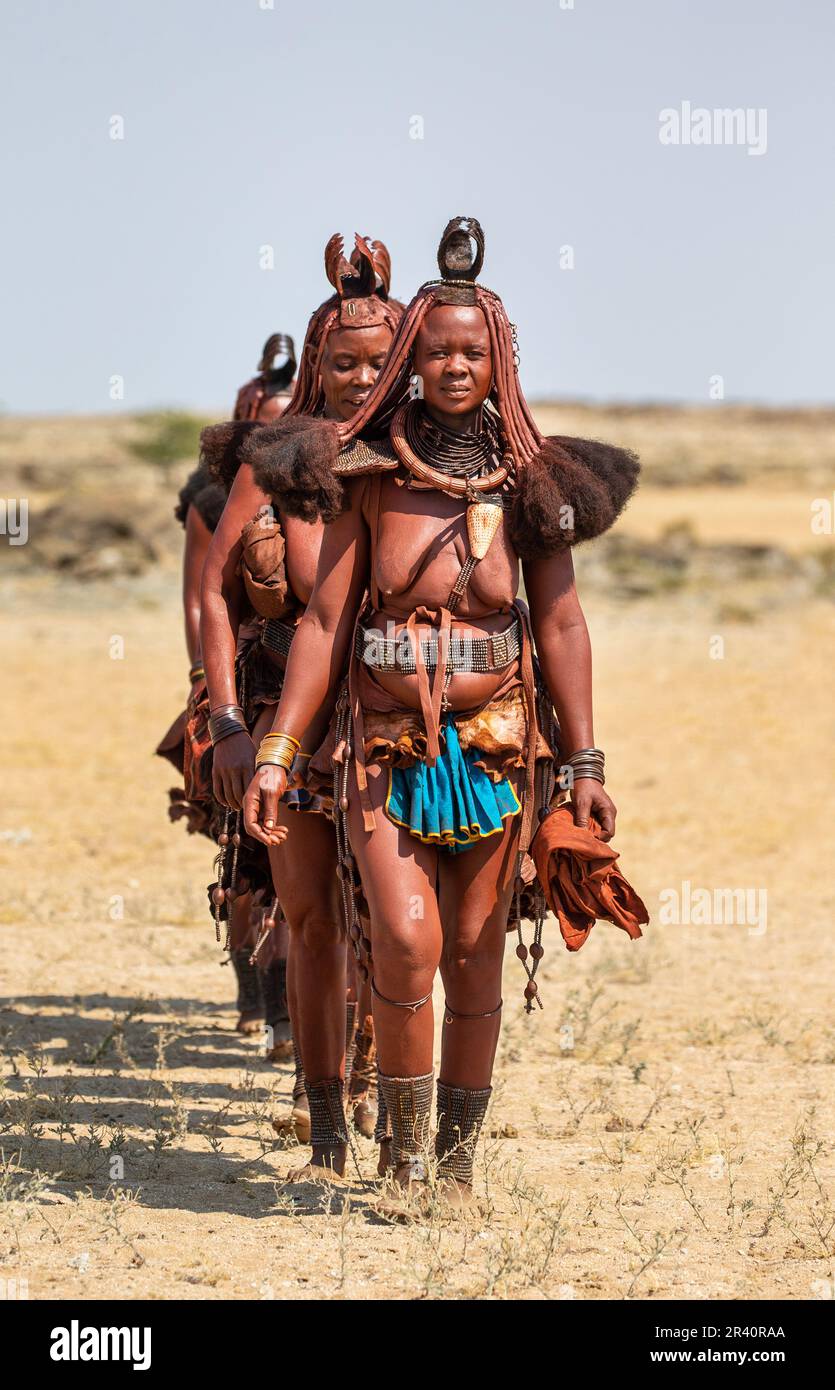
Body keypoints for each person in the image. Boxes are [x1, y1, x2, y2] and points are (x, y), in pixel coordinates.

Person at [241, 216, 640, 1207]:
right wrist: (277, 753)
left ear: (499, 357)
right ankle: (402, 1161)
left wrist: (584, 768)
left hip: (501, 751)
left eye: (474, 350)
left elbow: (560, 626)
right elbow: (327, 621)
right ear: (410, 359)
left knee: (472, 950)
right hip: (382, 744)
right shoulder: (366, 481)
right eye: (438, 349)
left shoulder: (536, 486)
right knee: (408, 939)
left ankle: (453, 1172)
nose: (455, 365)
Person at [199, 235, 403, 1157]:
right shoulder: (275, 460)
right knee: (315, 917)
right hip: (285, 708)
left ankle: (386, 1088)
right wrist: (230, 720)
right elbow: (212, 593)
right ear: (317, 363)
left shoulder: (422, 455)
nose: (362, 378)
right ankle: (324, 1116)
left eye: (377, 359)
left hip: (398, 718)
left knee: (394, 921)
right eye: (343, 361)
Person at [156, 333, 296, 1039]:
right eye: (266, 421)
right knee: (242, 844)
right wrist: (209, 691)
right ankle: (261, 1001)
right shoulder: (215, 497)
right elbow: (198, 597)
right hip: (240, 674)